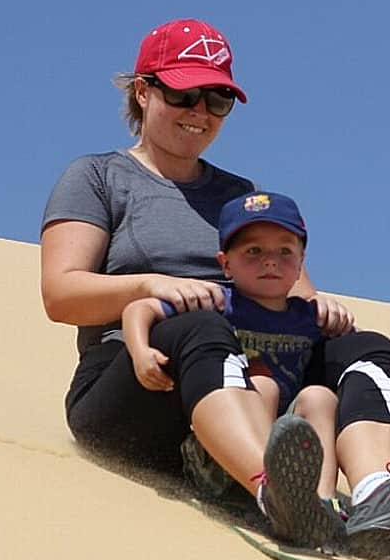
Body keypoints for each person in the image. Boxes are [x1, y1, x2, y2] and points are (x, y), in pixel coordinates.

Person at [40, 18, 390, 558]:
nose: (199, 112)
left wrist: (325, 311)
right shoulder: (98, 177)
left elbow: (296, 294)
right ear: (143, 90)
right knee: (200, 325)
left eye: (218, 100)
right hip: (137, 390)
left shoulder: (237, 195)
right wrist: (153, 285)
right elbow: (60, 294)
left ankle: (376, 492)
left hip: (247, 378)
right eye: (183, 93)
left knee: (364, 348)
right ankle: (272, 494)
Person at [122, 190, 344, 512]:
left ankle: (323, 506)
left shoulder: (309, 317)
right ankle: (268, 488)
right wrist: (141, 351)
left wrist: (339, 316)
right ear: (225, 264)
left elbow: (351, 345)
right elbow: (139, 309)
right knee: (263, 382)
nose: (270, 260)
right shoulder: (219, 302)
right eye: (253, 251)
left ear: (300, 266)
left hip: (284, 436)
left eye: (285, 251)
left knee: (321, 398)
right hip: (215, 452)